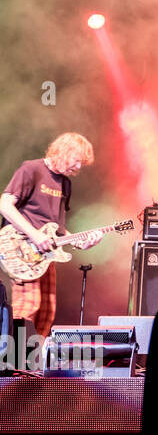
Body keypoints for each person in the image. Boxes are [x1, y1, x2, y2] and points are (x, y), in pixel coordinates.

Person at [0, 133, 102, 336]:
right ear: (65, 151)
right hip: (22, 249)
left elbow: (60, 230)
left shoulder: (65, 184)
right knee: (28, 306)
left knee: (47, 311)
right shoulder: (31, 169)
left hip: (46, 255)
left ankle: (32, 364)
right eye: (78, 161)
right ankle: (10, 361)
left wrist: (82, 242)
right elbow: (5, 205)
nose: (79, 168)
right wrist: (35, 235)